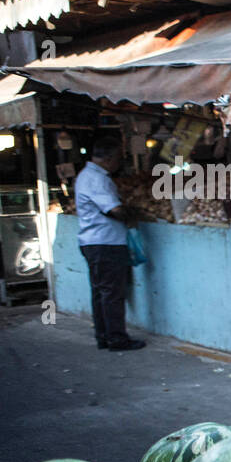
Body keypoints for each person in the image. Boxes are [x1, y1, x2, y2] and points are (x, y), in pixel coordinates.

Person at [75, 137, 145, 351]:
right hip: (105, 242)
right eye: (118, 158)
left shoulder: (87, 176)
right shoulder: (97, 179)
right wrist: (134, 213)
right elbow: (113, 210)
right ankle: (116, 338)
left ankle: (104, 336)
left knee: (101, 292)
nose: (119, 162)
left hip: (94, 241)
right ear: (108, 159)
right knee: (112, 293)